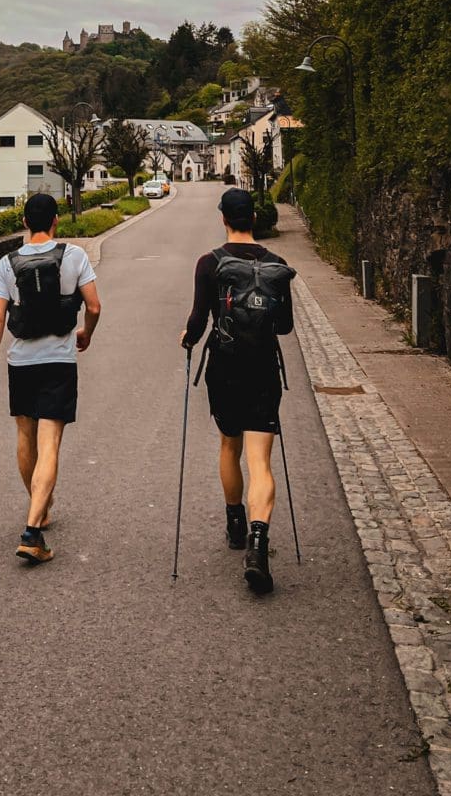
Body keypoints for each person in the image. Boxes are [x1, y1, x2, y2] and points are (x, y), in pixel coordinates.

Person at [180, 186, 295, 595]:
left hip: (225, 366)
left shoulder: (209, 263)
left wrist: (187, 339)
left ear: (224, 219)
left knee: (230, 445)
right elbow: (284, 326)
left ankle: (235, 523)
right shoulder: (277, 264)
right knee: (260, 460)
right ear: (254, 218)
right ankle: (258, 544)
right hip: (263, 366)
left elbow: (198, 320)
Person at [0, 192, 102, 565]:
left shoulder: (7, 263)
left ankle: (40, 508)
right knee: (50, 444)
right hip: (59, 361)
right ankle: (33, 531)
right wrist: (86, 333)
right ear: (55, 221)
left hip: (21, 362)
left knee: (25, 437)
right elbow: (94, 305)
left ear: (24, 223)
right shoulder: (75, 256)